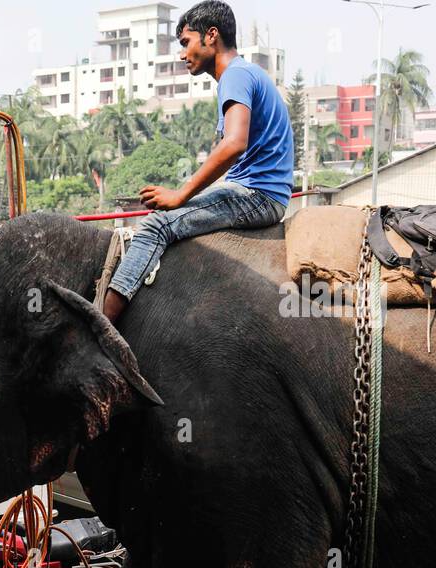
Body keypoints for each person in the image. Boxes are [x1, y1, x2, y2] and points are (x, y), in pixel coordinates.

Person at [100, 1, 292, 326]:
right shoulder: (245, 74)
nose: (181, 53)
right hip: (262, 192)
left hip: (258, 196)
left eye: (186, 42)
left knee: (156, 227)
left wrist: (180, 194)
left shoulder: (235, 76)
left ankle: (100, 327)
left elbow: (233, 144)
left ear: (211, 36)